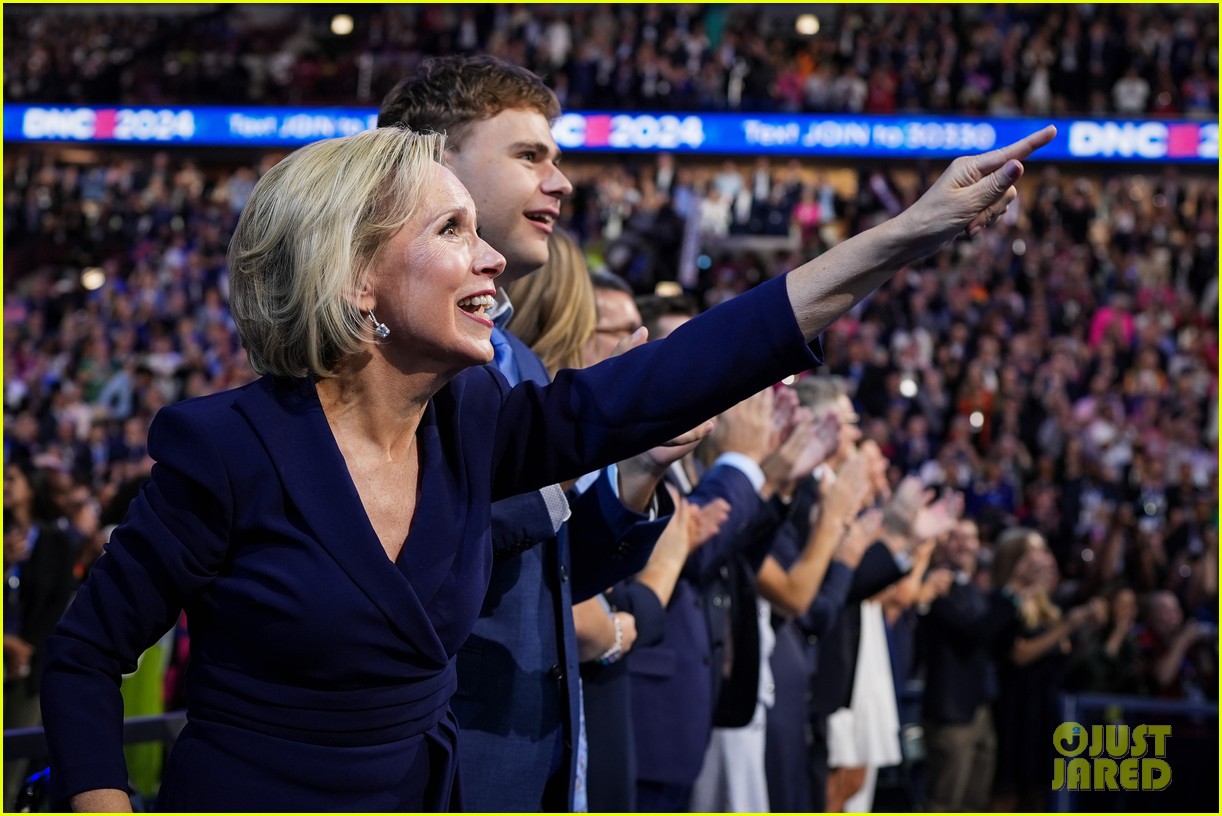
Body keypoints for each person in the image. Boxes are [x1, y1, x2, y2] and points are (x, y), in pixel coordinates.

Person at [40, 115, 1056, 811]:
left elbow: (687, 366)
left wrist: (906, 235)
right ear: (356, 281)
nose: (489, 259)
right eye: (451, 230)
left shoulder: (475, 421)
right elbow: (85, 656)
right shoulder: (226, 446)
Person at [379, 56, 681, 811]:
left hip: (538, 765)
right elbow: (402, 543)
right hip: (432, 774)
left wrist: (638, 469)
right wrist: (544, 489)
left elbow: (554, 575)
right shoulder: (365, 350)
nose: (561, 181)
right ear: (437, 163)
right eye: (529, 155)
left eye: (557, 157)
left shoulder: (522, 362)